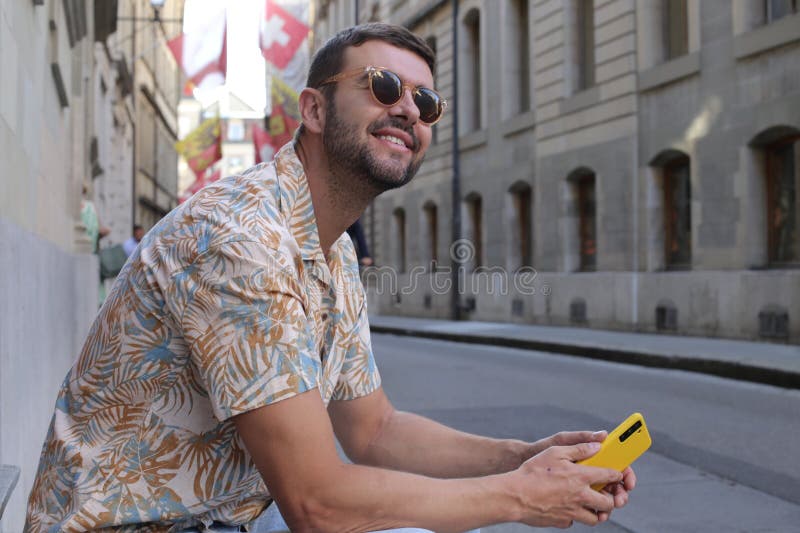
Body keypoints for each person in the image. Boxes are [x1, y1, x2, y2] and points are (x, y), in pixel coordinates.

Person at [25, 23, 635, 533]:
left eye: (426, 103)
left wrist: (526, 458)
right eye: (384, 86)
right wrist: (521, 496)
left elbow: (375, 431)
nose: (407, 109)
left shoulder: (332, 251)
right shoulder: (243, 240)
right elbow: (317, 503)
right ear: (313, 110)